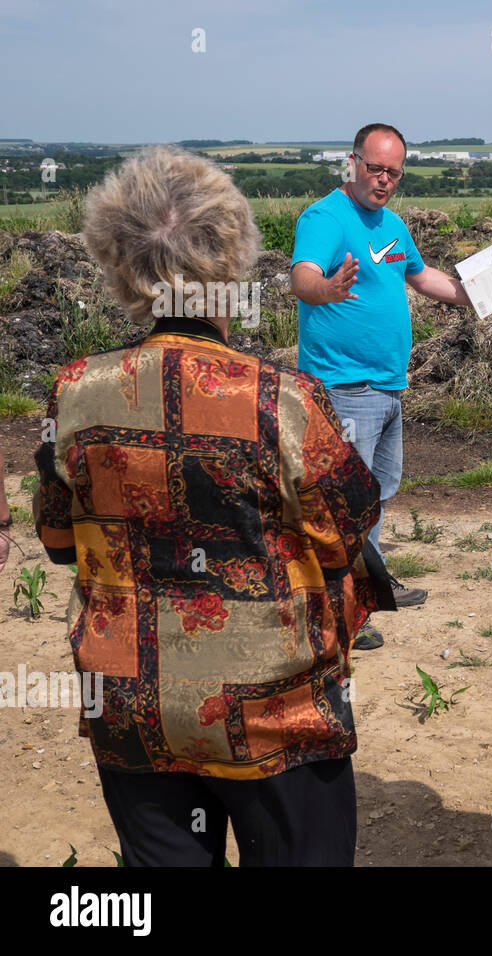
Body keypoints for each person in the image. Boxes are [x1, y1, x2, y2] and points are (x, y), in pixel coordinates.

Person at [34, 145, 384, 866]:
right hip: (275, 713)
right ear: (232, 261)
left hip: (130, 704)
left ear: (118, 263)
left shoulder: (74, 393)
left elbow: (58, 538)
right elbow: (348, 527)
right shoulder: (280, 400)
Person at [290, 122, 492, 650]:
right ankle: (340, 612)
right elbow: (301, 278)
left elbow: (423, 277)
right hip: (342, 386)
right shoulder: (326, 217)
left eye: (394, 172)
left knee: (375, 496)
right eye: (375, 168)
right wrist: (325, 288)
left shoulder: (392, 224)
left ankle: (370, 586)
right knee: (342, 503)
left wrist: (483, 295)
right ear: (353, 162)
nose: (384, 179)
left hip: (389, 386)